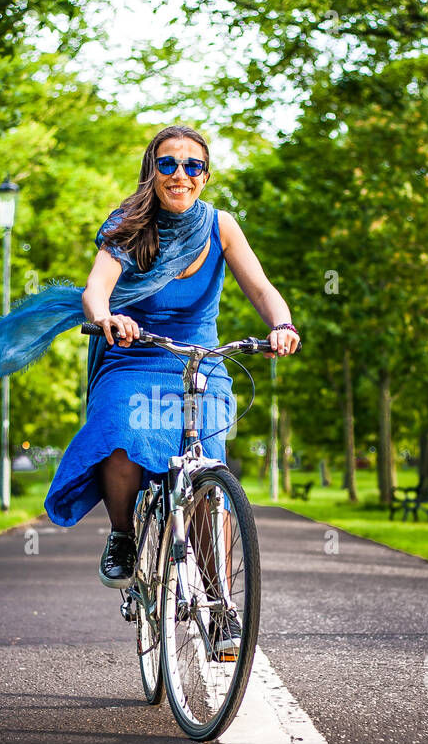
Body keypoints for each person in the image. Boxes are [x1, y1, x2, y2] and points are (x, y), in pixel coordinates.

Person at [42, 124, 300, 595]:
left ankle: (218, 600)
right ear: (152, 171)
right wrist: (105, 320)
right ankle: (122, 534)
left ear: (205, 175)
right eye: (167, 164)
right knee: (120, 433)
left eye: (192, 165)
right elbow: (96, 287)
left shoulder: (221, 226)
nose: (179, 173)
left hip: (200, 360)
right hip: (134, 355)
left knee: (204, 472)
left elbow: (262, 289)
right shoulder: (129, 223)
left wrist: (282, 325)